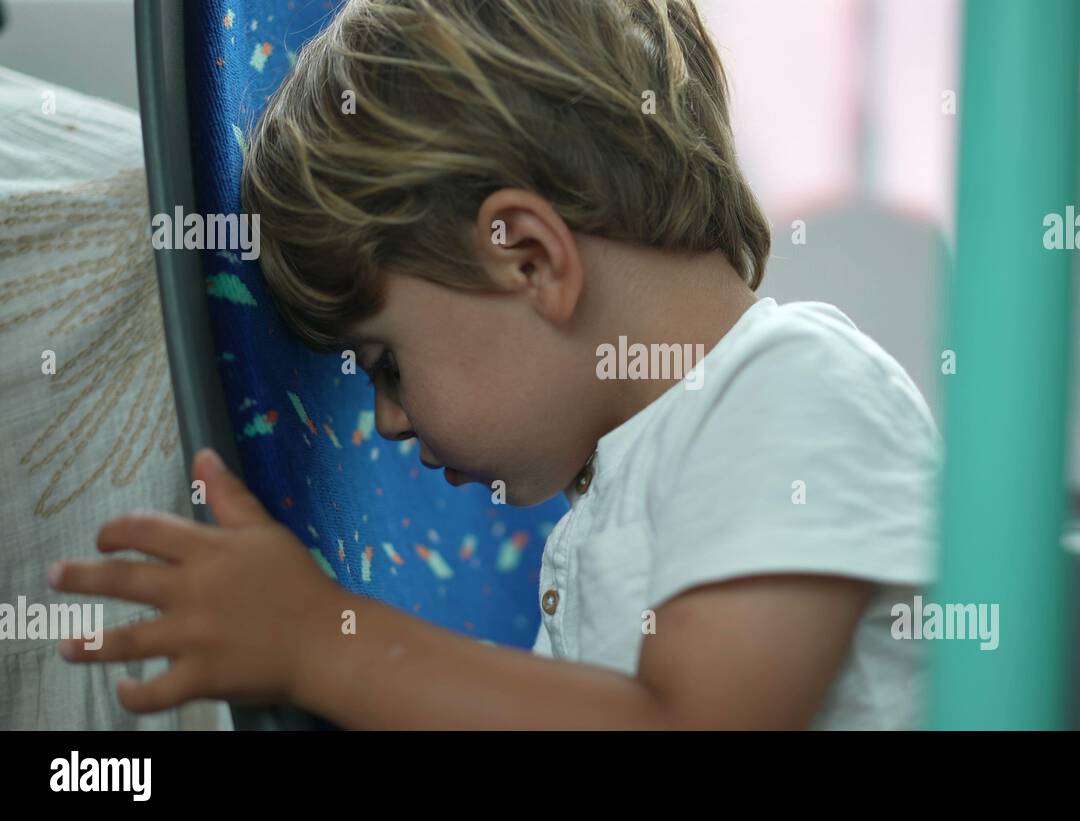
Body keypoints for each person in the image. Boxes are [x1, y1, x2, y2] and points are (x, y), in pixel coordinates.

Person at [50, 0, 941, 729]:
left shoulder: (790, 391)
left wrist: (322, 643)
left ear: (528, 259)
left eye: (385, 362)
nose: (389, 420)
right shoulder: (621, 483)